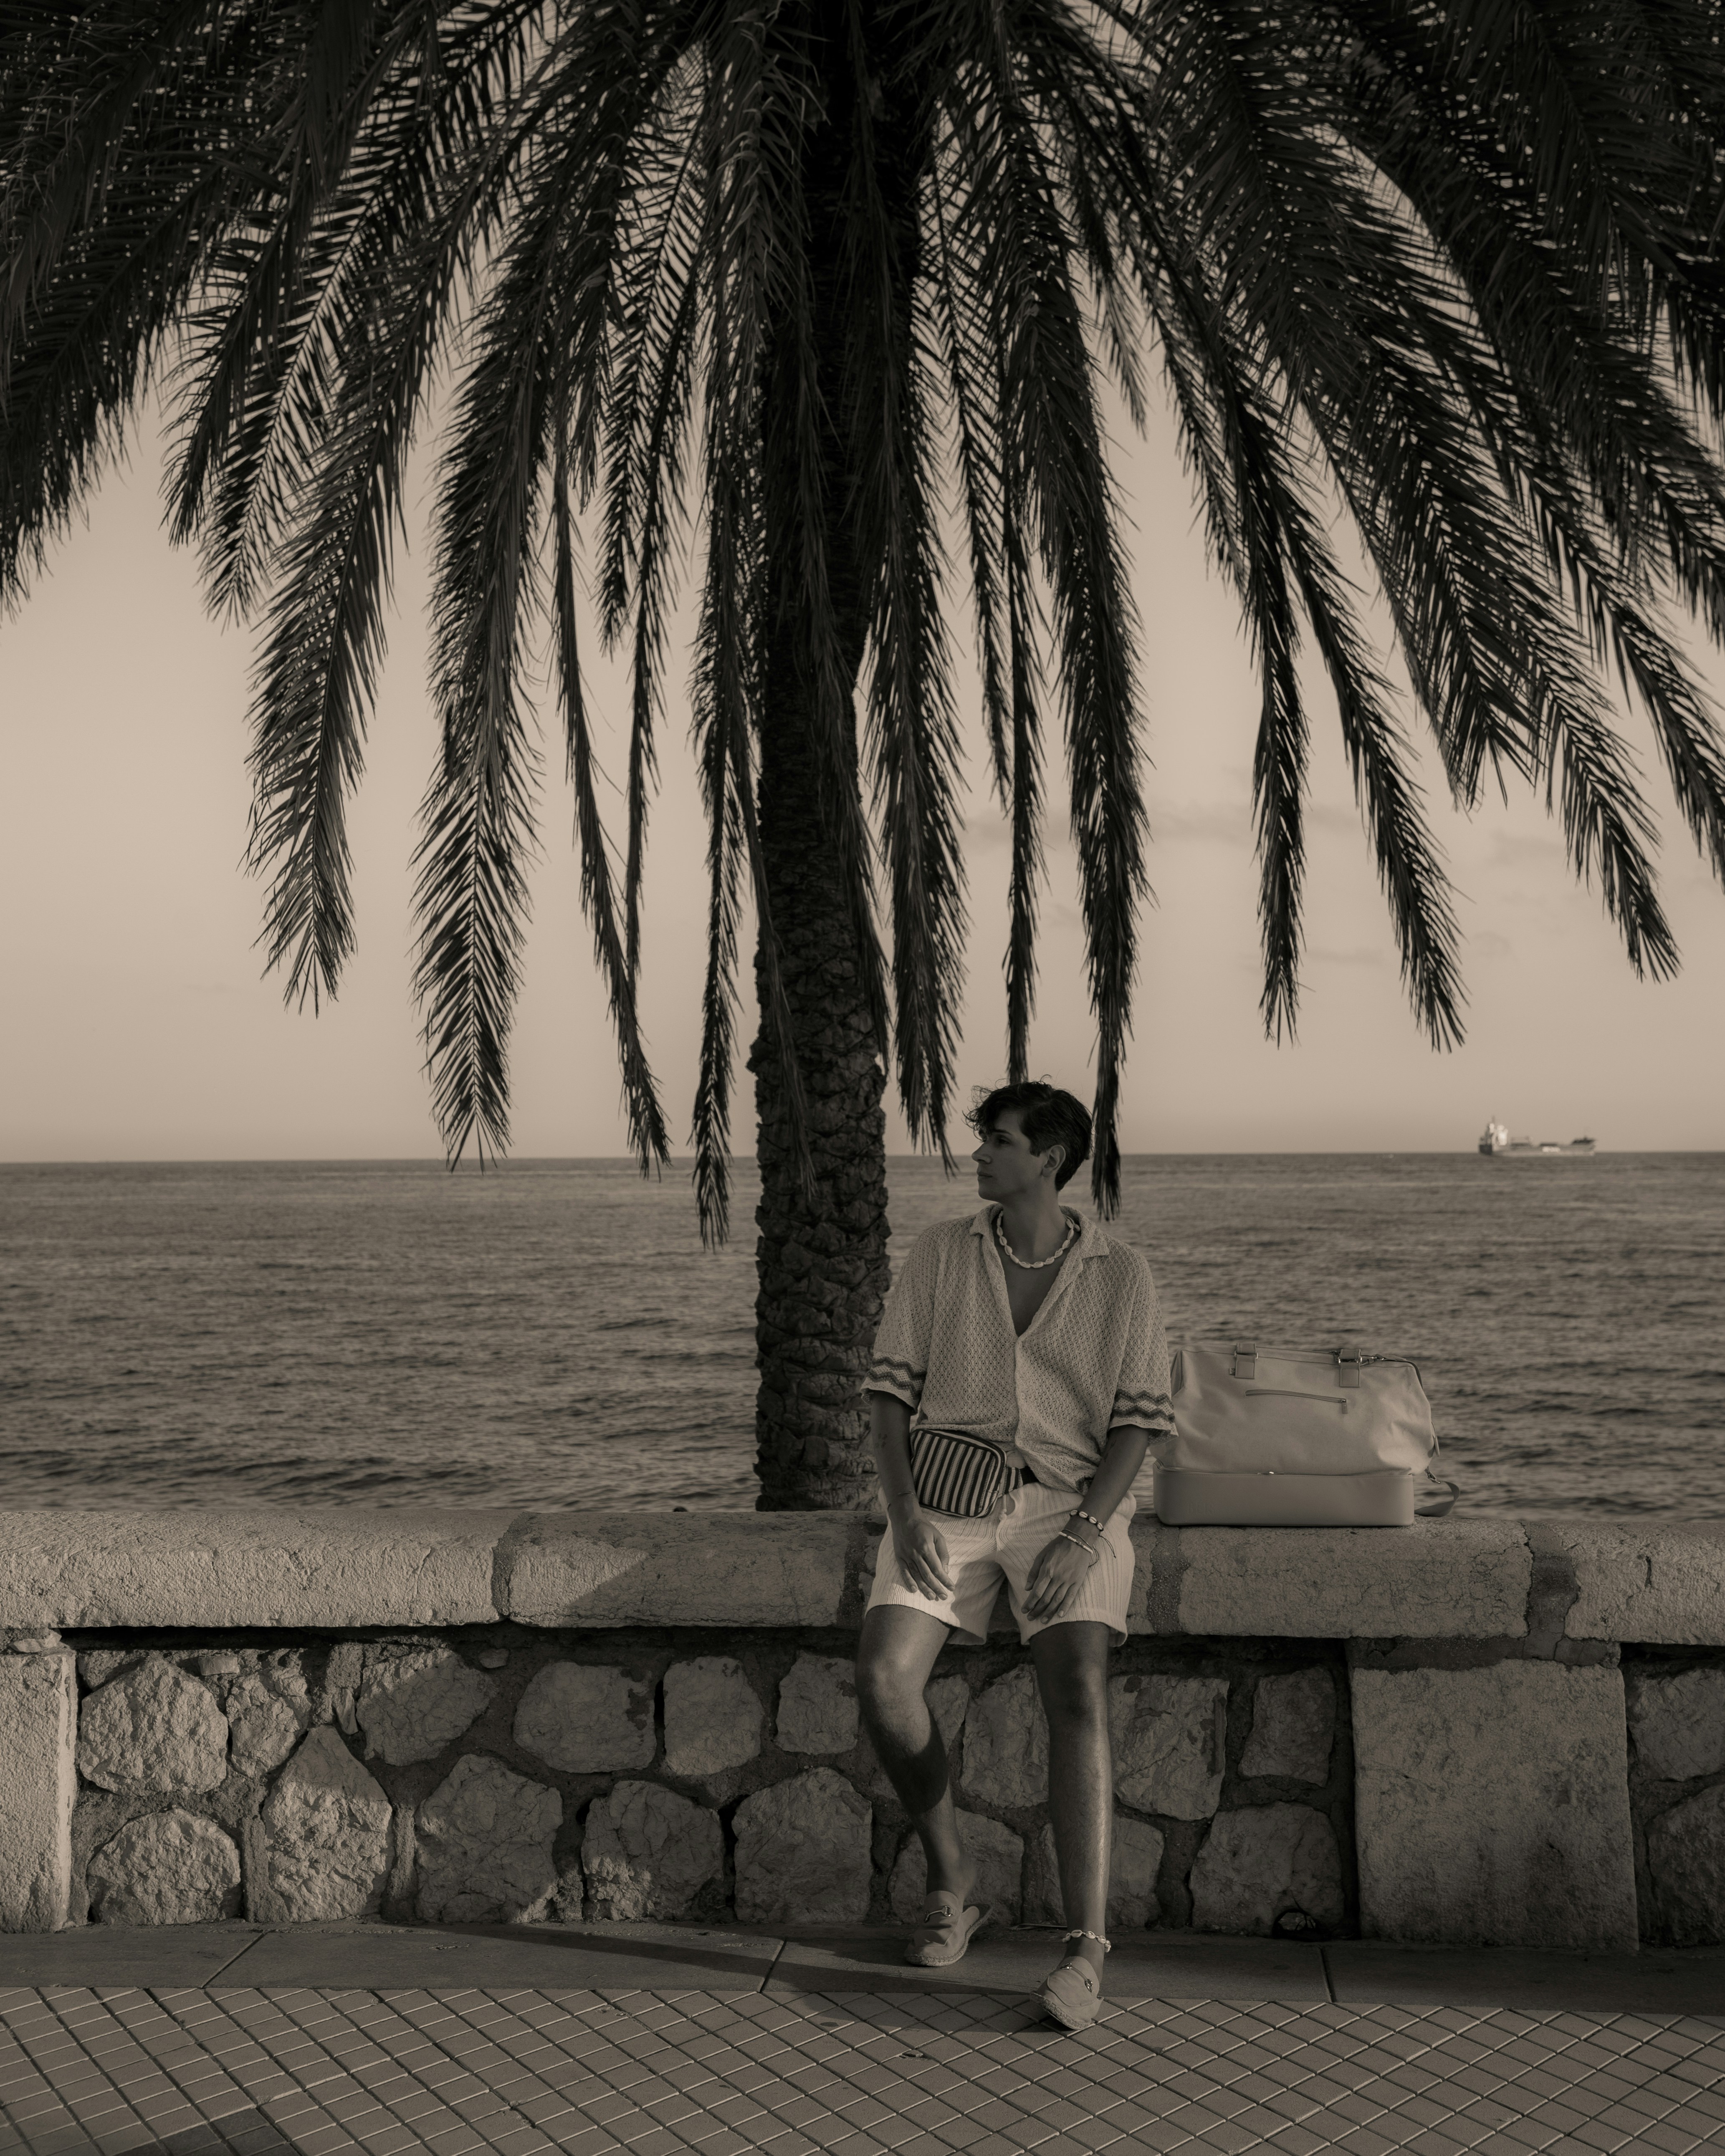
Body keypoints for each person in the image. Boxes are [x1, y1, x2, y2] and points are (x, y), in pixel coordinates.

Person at [855, 1080, 1175, 2030]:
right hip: (945, 1506)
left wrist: (1085, 1536)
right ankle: (953, 1879)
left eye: (996, 1142)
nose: (978, 1156)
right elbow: (885, 1398)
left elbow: (1137, 1423)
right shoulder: (940, 1256)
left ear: (1047, 1159)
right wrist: (904, 1514)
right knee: (882, 1678)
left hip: (1070, 1508)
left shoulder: (1122, 1275)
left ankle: (1084, 1948)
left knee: (1075, 1685)